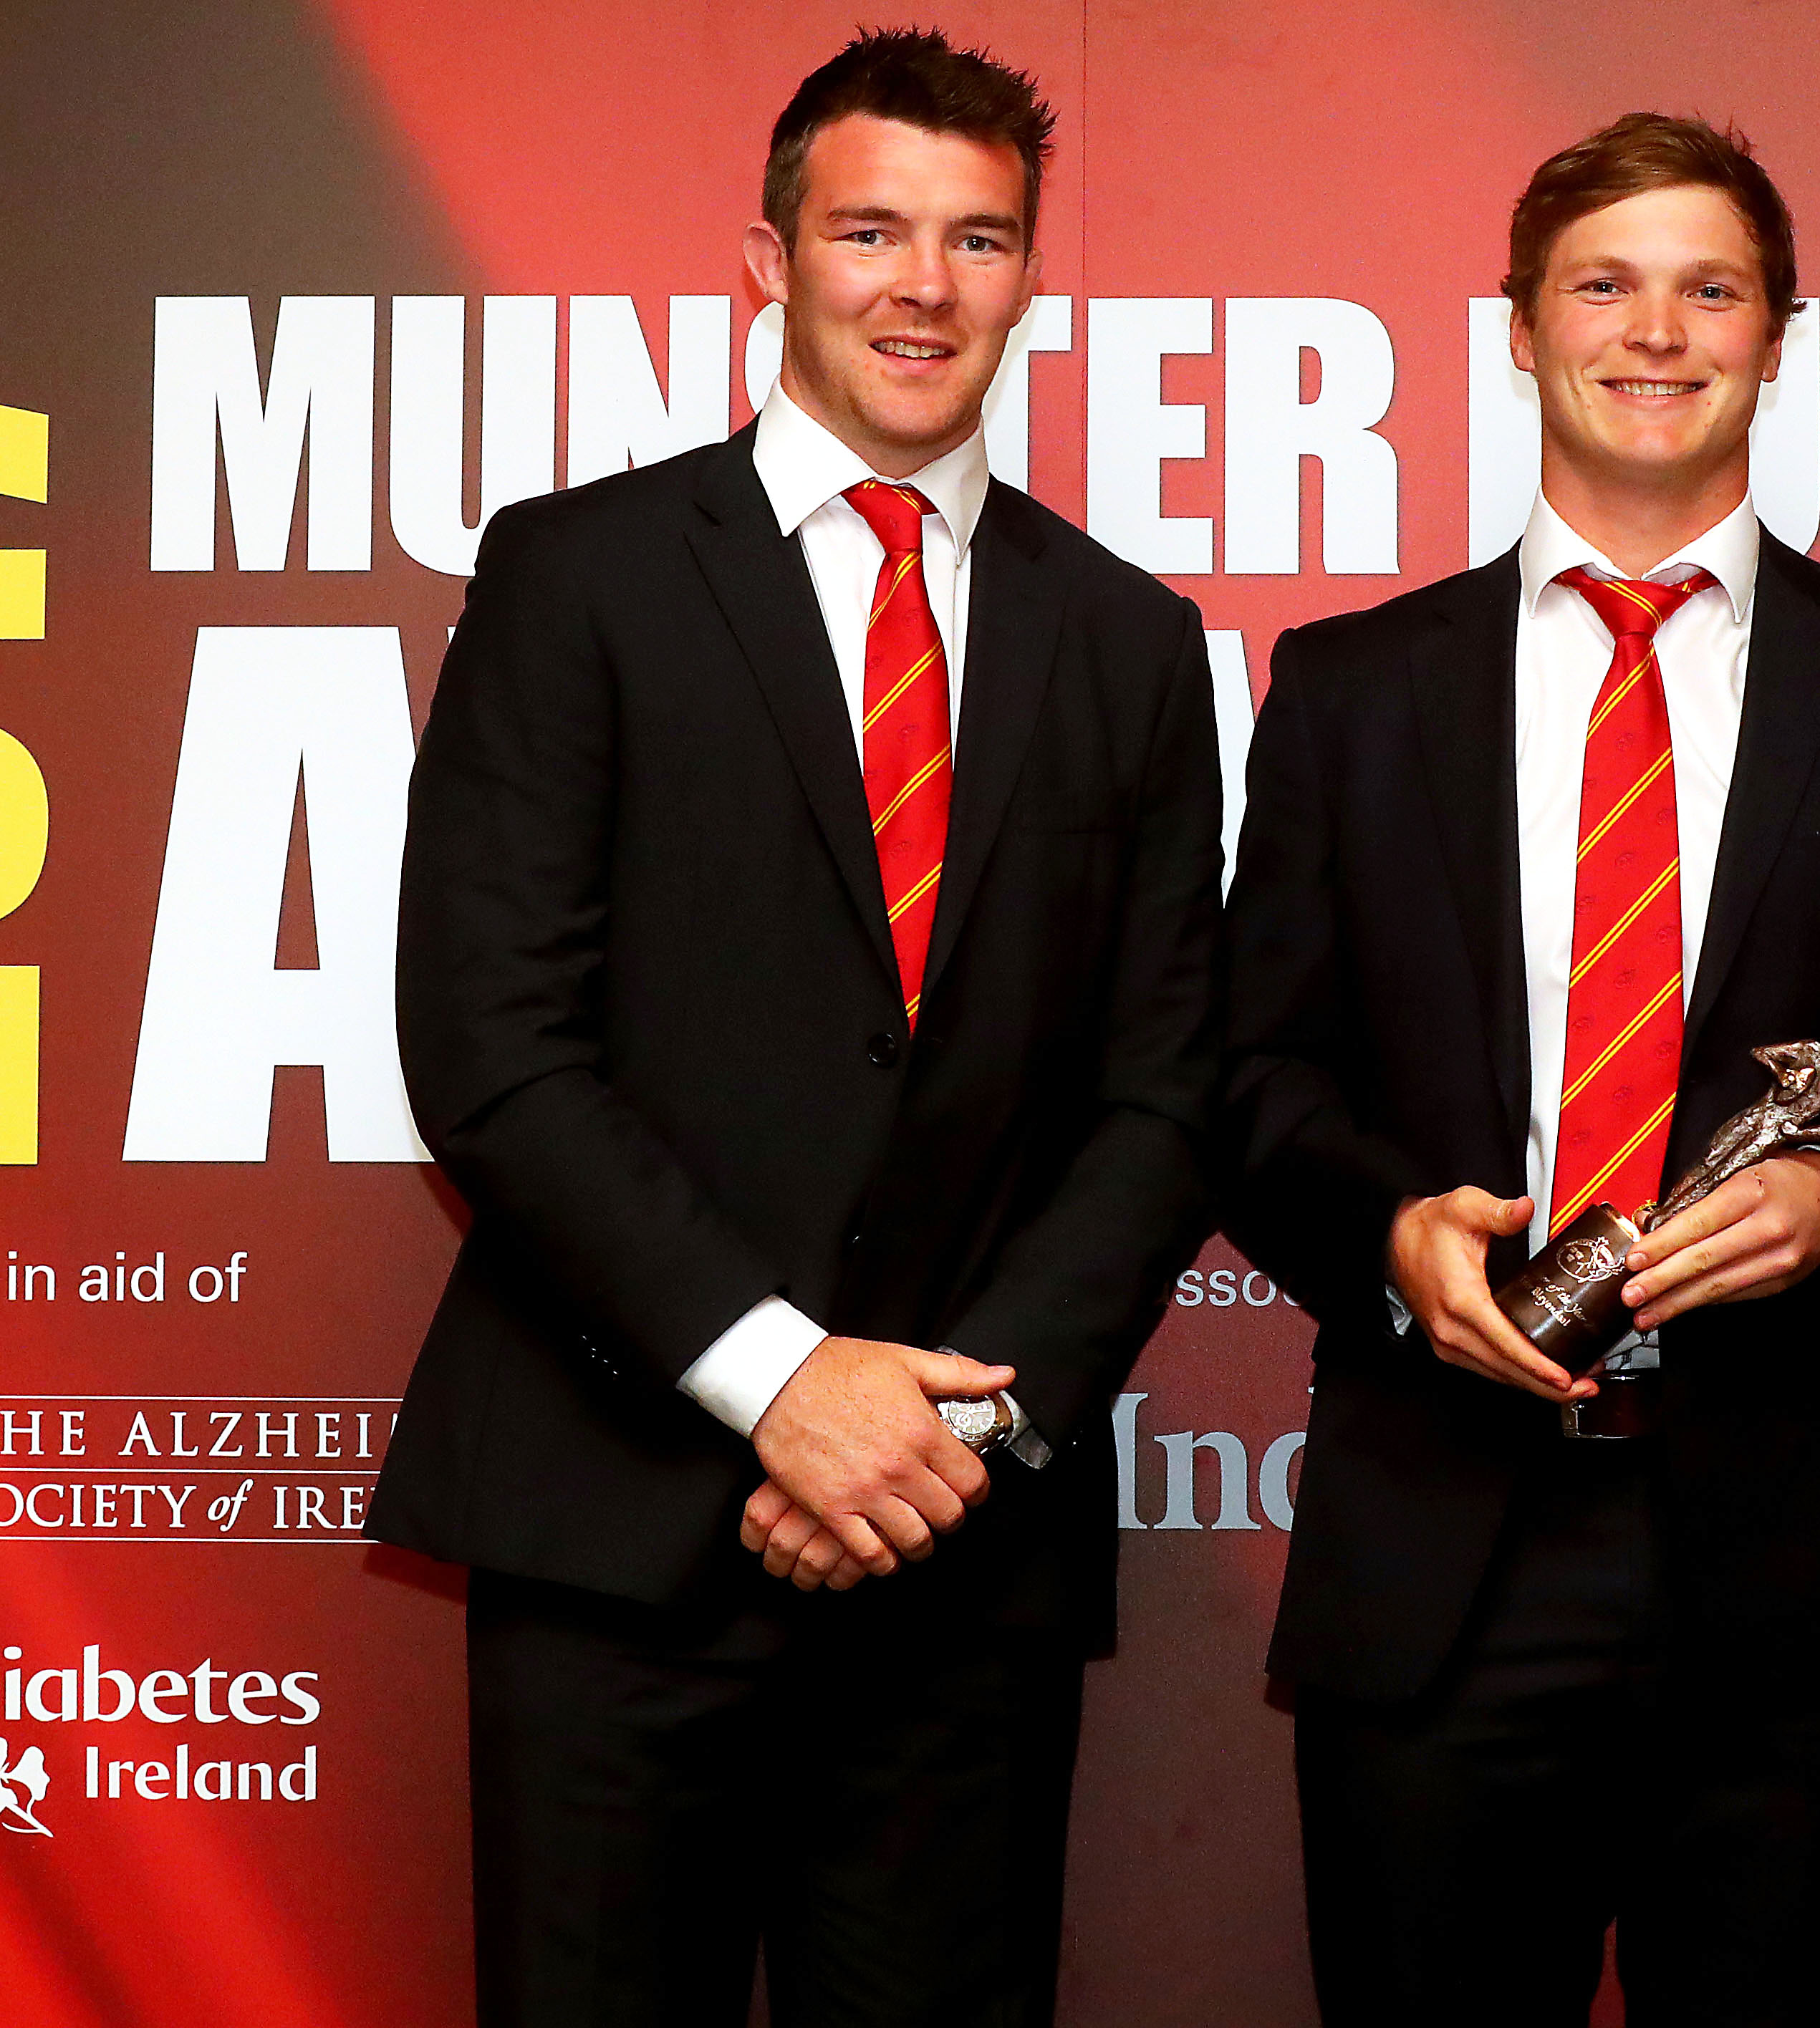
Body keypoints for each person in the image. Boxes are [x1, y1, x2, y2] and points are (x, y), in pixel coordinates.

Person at [367, 30, 1223, 2028]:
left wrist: (937, 1437)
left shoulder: (1129, 640)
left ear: (1029, 277)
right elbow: (489, 1046)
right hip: (612, 1536)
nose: (924, 283)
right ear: (767, 259)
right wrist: (781, 1385)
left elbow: (1165, 1093)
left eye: (978, 237)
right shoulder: (577, 576)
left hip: (960, 1563)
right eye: (870, 231)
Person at [1220, 112, 1820, 2025]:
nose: (1655, 330)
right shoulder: (1349, 688)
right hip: (1439, 1552)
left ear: (1781, 335)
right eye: (1603, 283)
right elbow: (1250, 1079)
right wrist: (1396, 1235)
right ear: (1517, 327)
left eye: (1710, 288)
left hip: (1796, 1566)